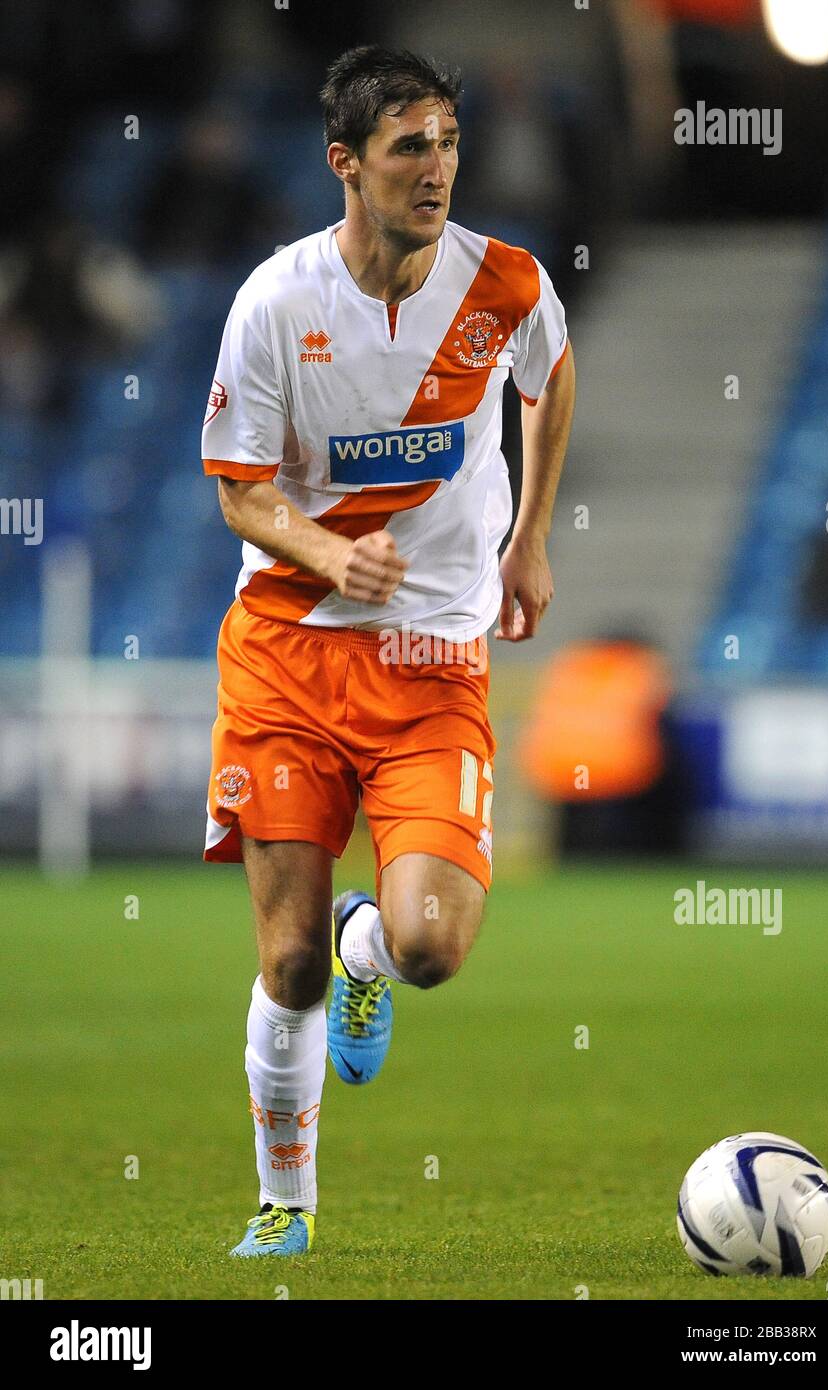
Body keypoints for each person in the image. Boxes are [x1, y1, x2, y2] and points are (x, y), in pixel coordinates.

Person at [200, 44, 575, 1257]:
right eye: (409, 146)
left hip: (429, 661)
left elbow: (551, 375)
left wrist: (525, 535)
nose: (438, 168)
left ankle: (377, 942)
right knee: (290, 960)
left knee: (428, 947)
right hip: (288, 657)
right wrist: (323, 551)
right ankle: (285, 1203)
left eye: (449, 141)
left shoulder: (504, 282)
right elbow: (240, 495)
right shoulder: (275, 302)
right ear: (345, 163)